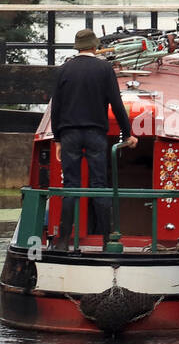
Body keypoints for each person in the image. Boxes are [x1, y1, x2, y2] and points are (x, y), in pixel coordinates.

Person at [50, 28, 138, 248]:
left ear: (77, 47)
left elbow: (56, 107)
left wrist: (57, 138)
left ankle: (62, 241)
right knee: (99, 184)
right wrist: (128, 134)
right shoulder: (104, 69)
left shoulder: (64, 70)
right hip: (95, 134)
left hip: (69, 134)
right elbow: (117, 104)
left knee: (70, 185)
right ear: (95, 46)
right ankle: (107, 238)